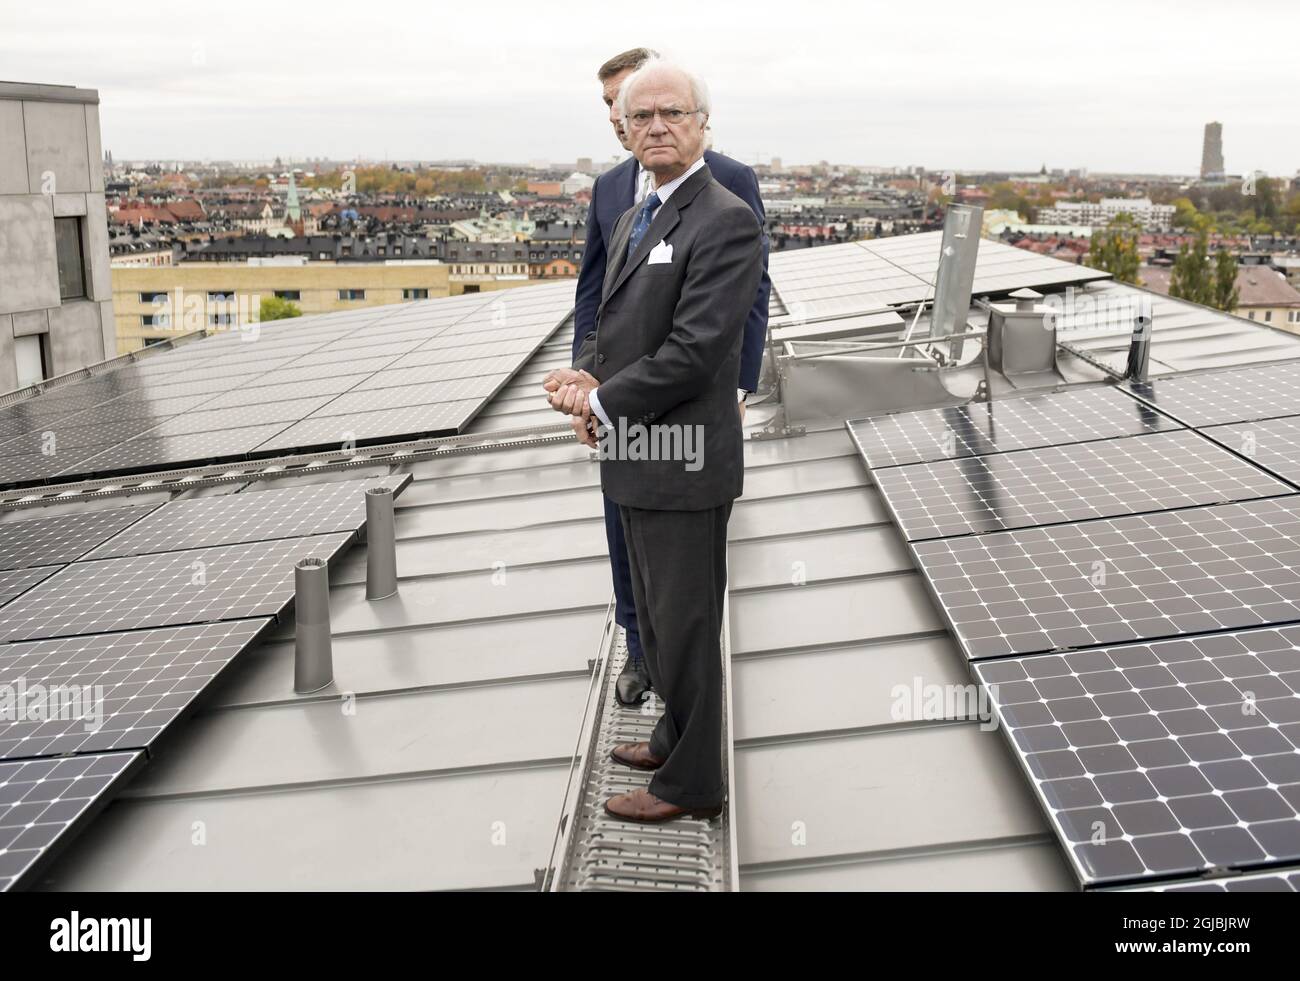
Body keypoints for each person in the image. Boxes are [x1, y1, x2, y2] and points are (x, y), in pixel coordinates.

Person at [543, 58, 762, 823]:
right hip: (639, 452)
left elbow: (697, 351)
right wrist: (586, 383)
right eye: (642, 118)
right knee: (659, 617)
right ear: (624, 129)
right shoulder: (642, 209)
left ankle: (691, 784)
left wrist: (605, 400)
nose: (657, 127)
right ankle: (673, 735)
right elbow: (618, 325)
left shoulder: (725, 216)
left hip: (685, 458)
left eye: (673, 113)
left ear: (703, 124)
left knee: (688, 623)